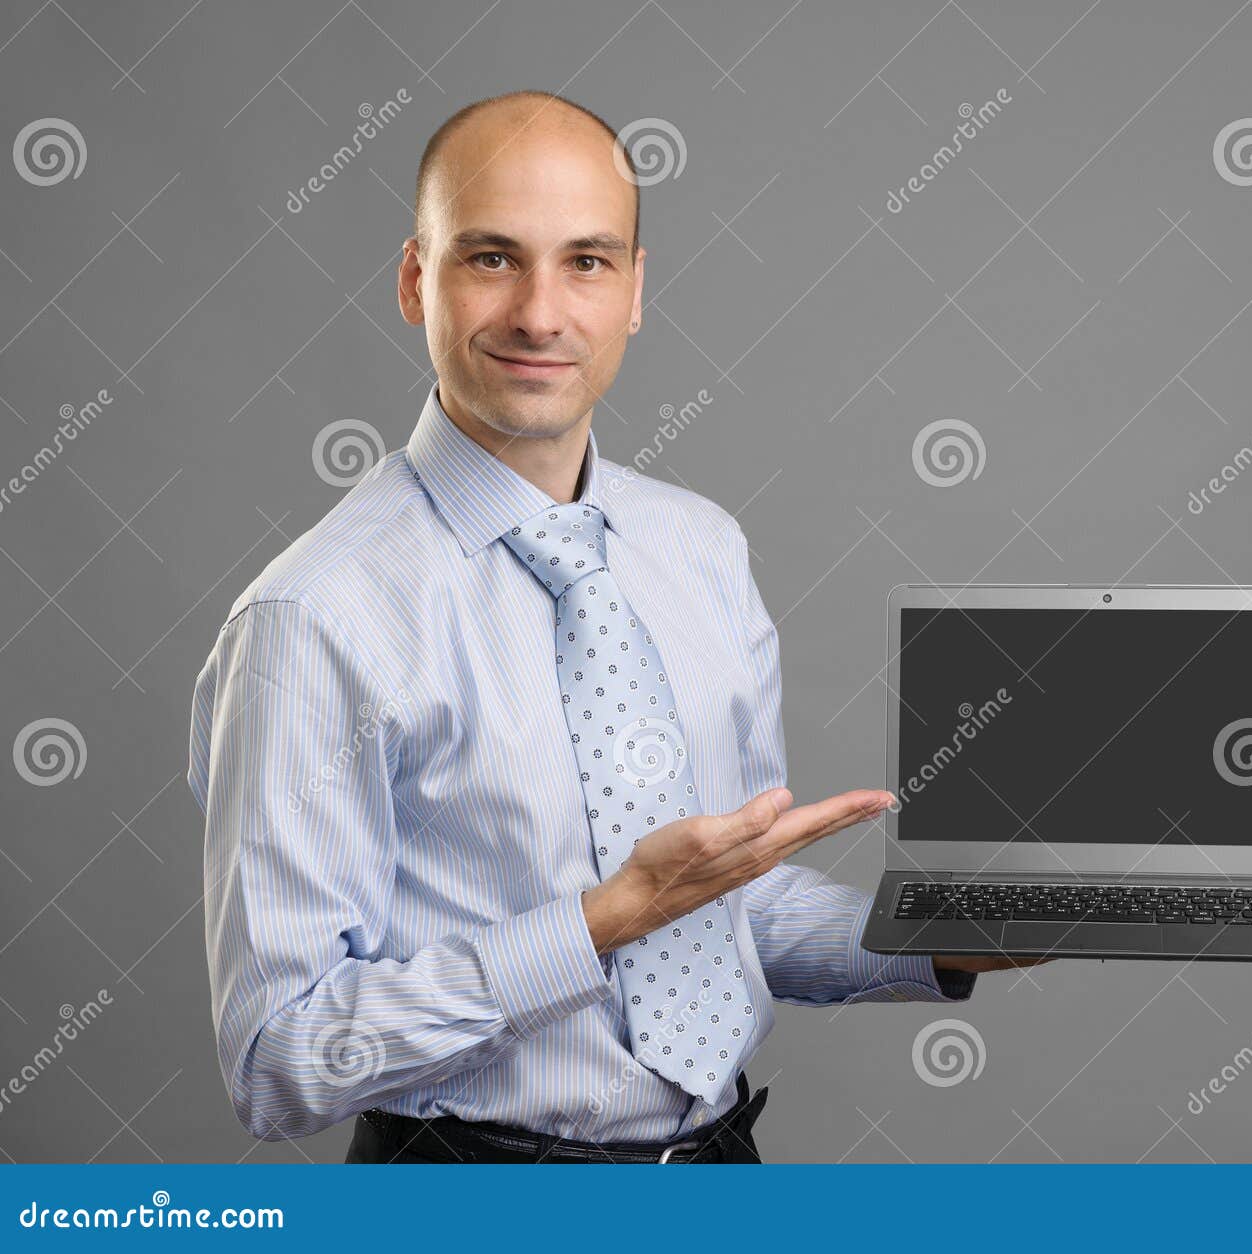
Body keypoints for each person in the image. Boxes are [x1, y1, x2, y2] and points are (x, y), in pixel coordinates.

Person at [187, 90, 1048, 1165]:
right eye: (492, 258)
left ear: (635, 291)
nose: (541, 315)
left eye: (586, 262)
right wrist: (598, 923)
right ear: (418, 279)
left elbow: (729, 908)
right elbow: (281, 1059)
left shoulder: (698, 548)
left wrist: (954, 939)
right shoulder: (312, 619)